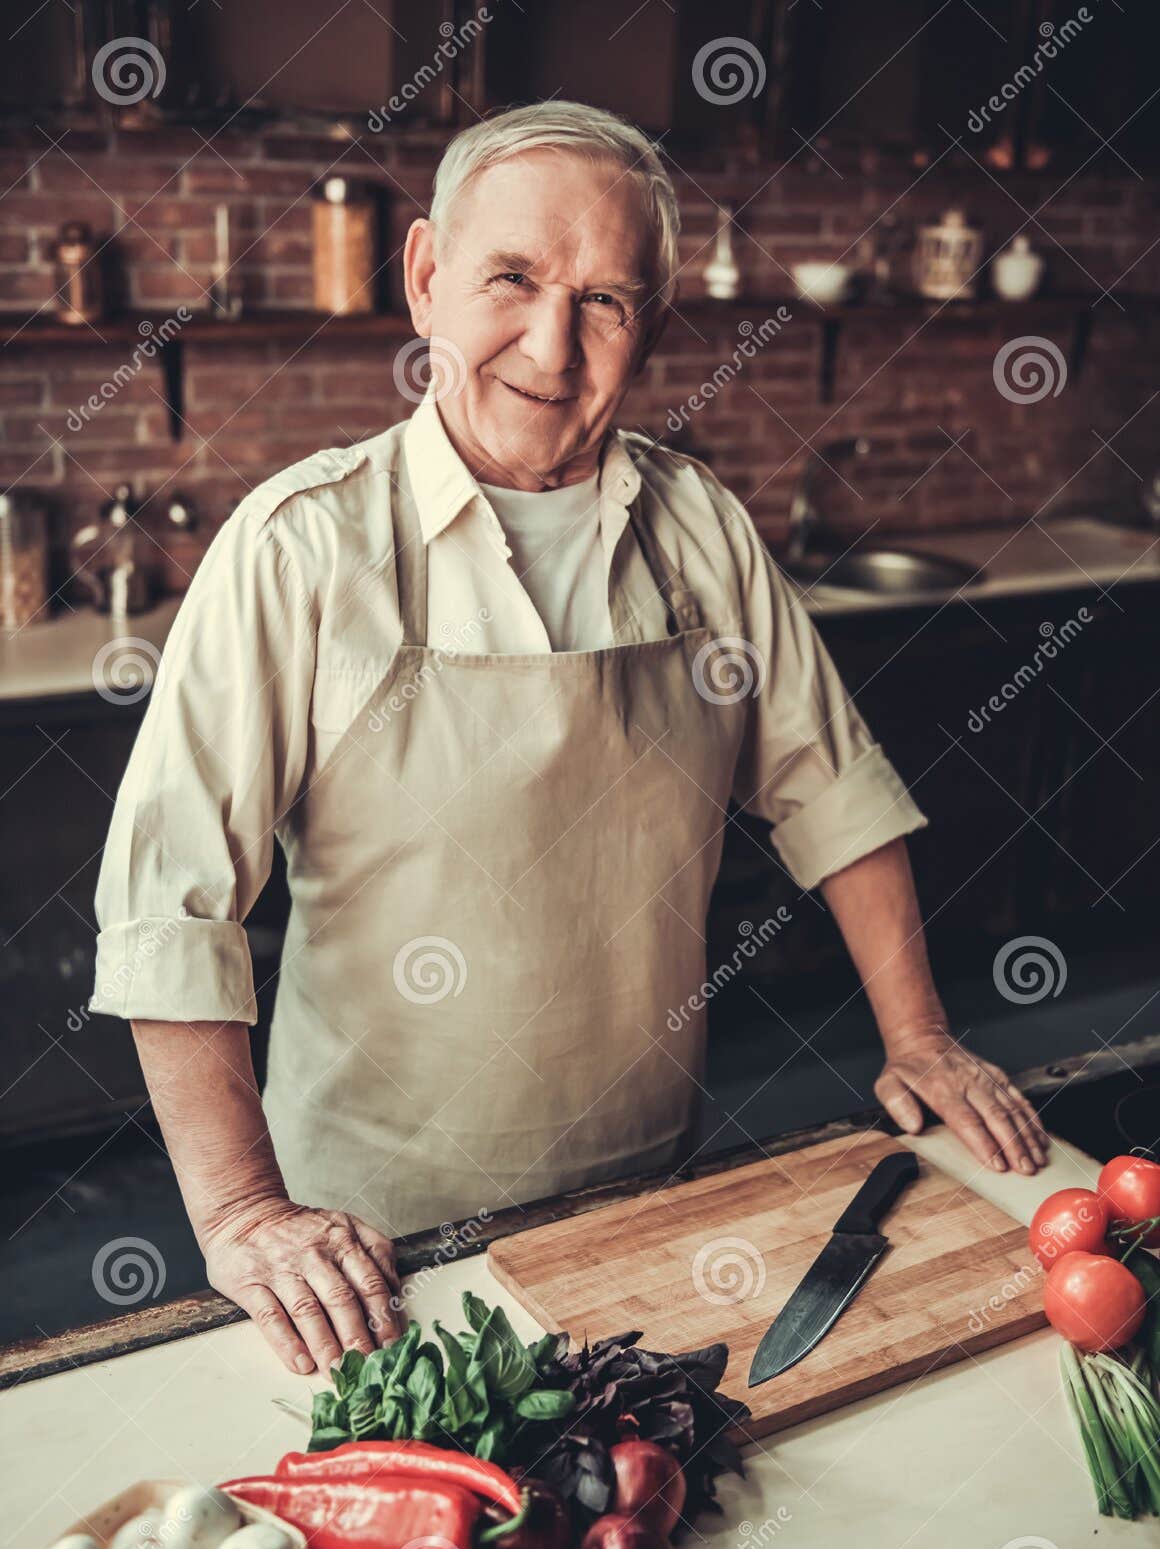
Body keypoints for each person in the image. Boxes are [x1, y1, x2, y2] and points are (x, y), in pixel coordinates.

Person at [91, 100, 1048, 1377]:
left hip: (651, 1185)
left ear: (649, 325)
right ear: (425, 277)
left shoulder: (698, 529)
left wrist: (918, 1035)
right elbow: (170, 901)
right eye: (512, 279)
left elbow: (831, 787)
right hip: (369, 1242)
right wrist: (243, 1213)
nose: (551, 345)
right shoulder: (301, 545)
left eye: (602, 300)